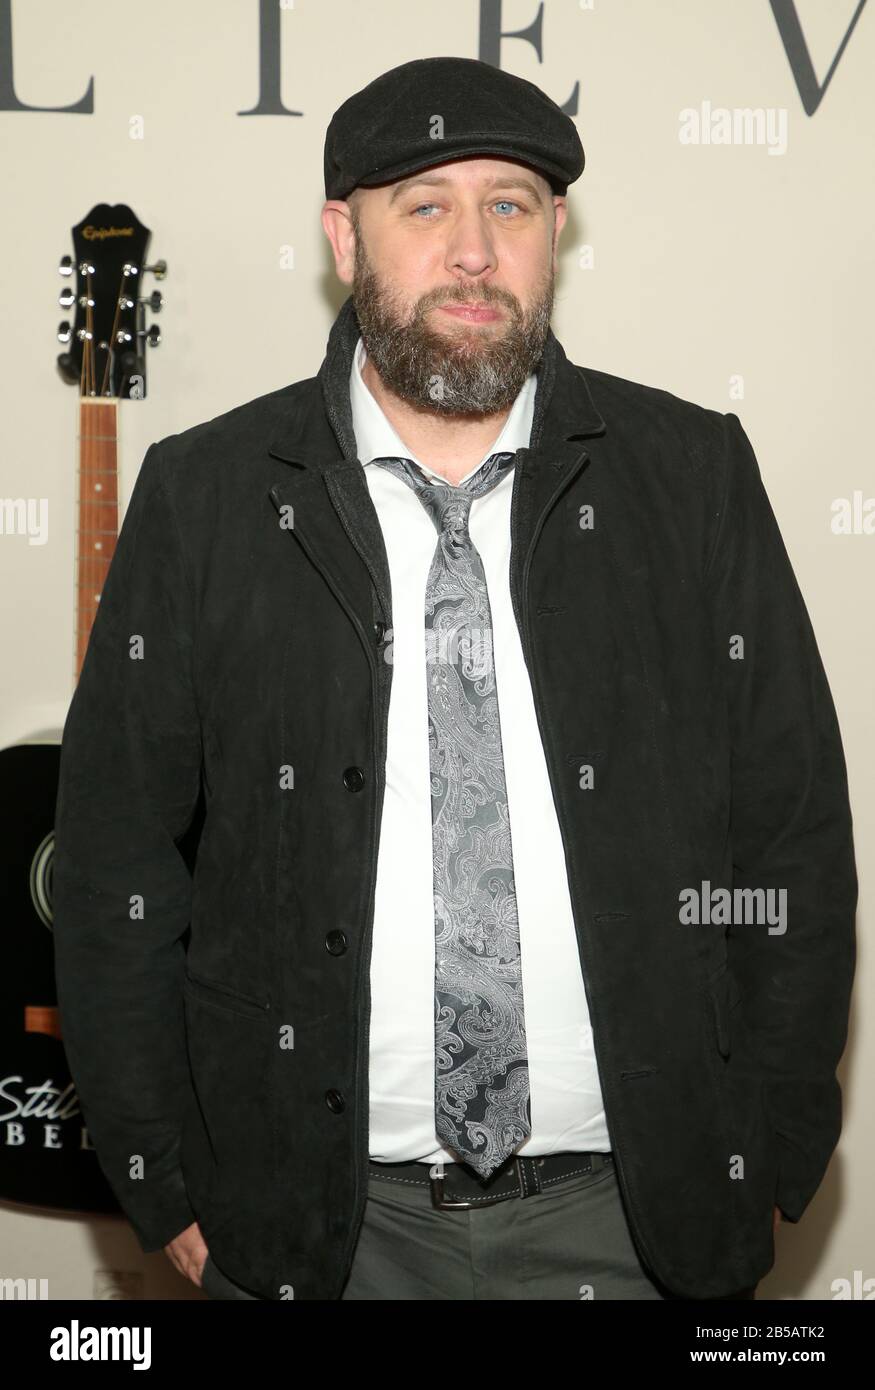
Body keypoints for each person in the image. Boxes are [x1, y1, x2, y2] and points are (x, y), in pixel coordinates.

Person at [52, 56, 856, 1301]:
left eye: (511, 205)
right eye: (424, 205)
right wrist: (160, 1173)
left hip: (638, 1218)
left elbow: (791, 839)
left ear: (553, 236)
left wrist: (774, 1141)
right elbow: (116, 864)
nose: (472, 250)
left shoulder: (690, 477)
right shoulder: (205, 497)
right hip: (318, 1229)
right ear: (342, 234)